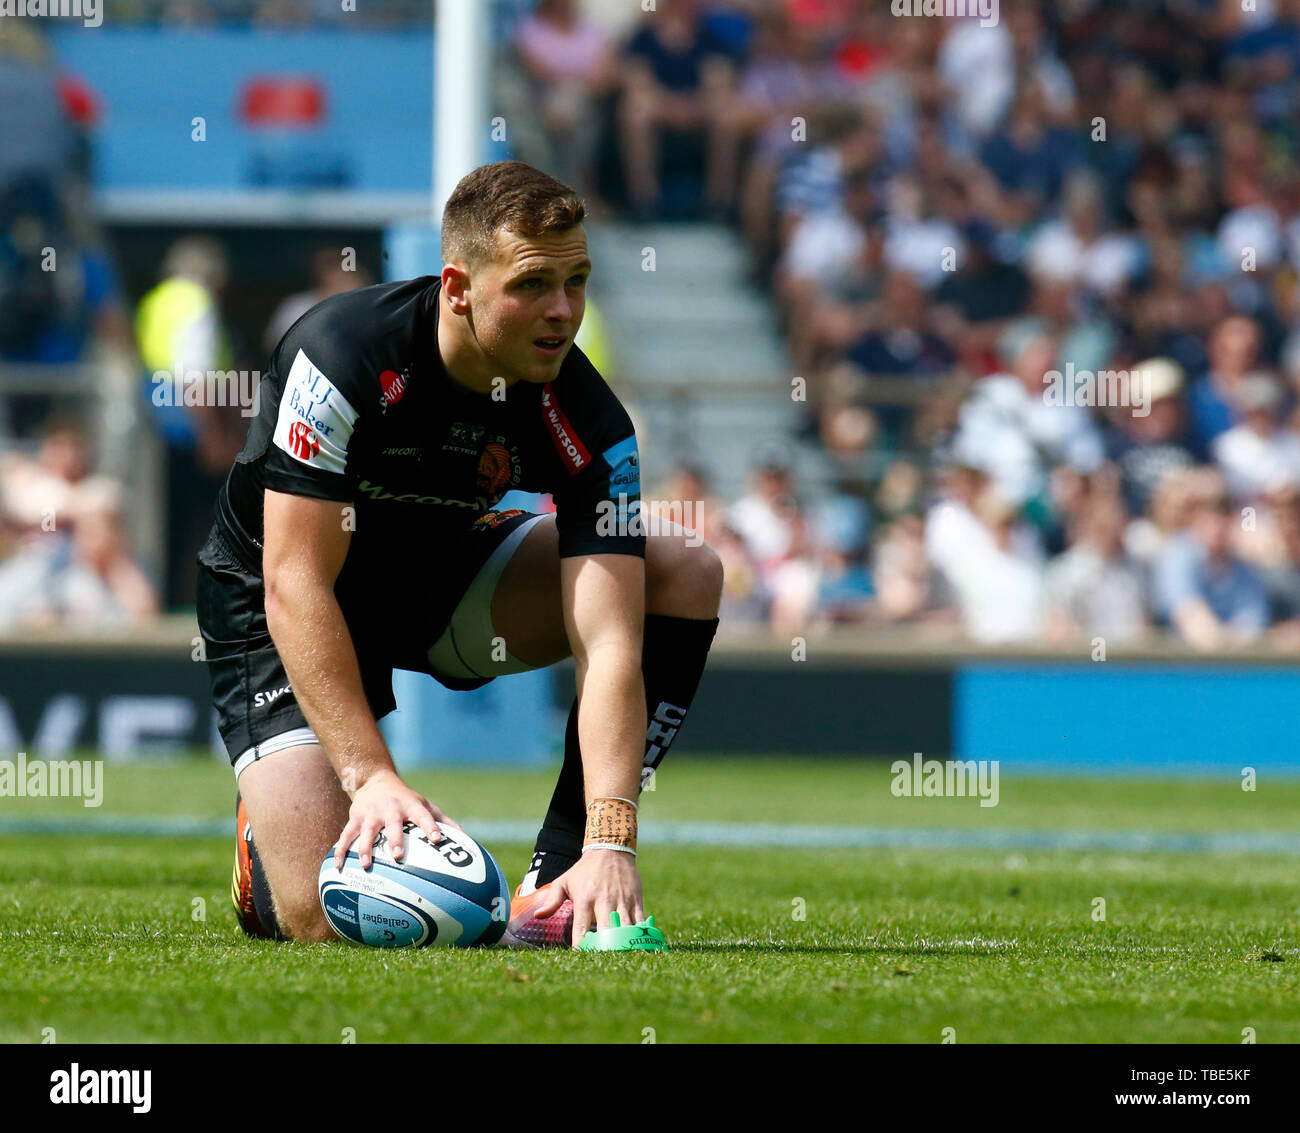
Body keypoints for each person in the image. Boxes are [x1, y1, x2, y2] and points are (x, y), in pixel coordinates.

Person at [197, 162, 723, 948]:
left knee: (684, 568)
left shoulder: (589, 415)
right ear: (458, 288)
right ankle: (264, 846)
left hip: (441, 579)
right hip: (283, 610)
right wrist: (370, 774)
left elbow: (610, 642)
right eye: (533, 284)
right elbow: (293, 580)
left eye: (577, 281)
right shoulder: (339, 355)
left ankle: (557, 878)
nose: (562, 311)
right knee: (325, 919)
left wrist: (611, 839)